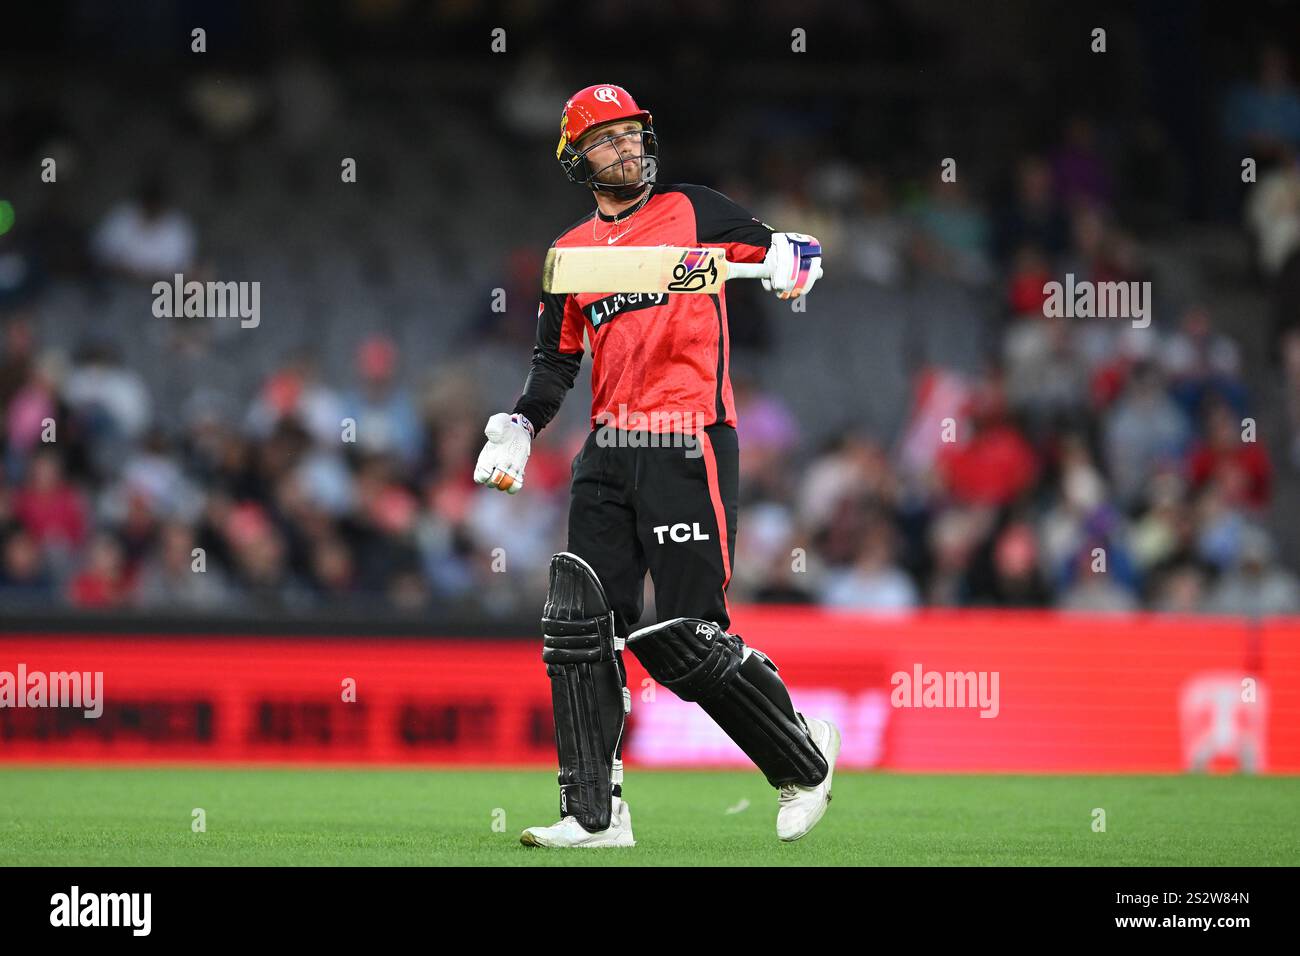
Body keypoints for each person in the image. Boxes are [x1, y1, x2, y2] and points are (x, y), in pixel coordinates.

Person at [472, 84, 836, 847]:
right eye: (608, 139)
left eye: (634, 133)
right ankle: (593, 815)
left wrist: (792, 260)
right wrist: (517, 424)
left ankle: (804, 757)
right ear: (577, 160)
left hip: (686, 431)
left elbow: (783, 252)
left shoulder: (696, 211)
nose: (628, 148)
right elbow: (553, 363)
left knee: (682, 634)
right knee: (579, 621)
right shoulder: (568, 257)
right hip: (608, 445)